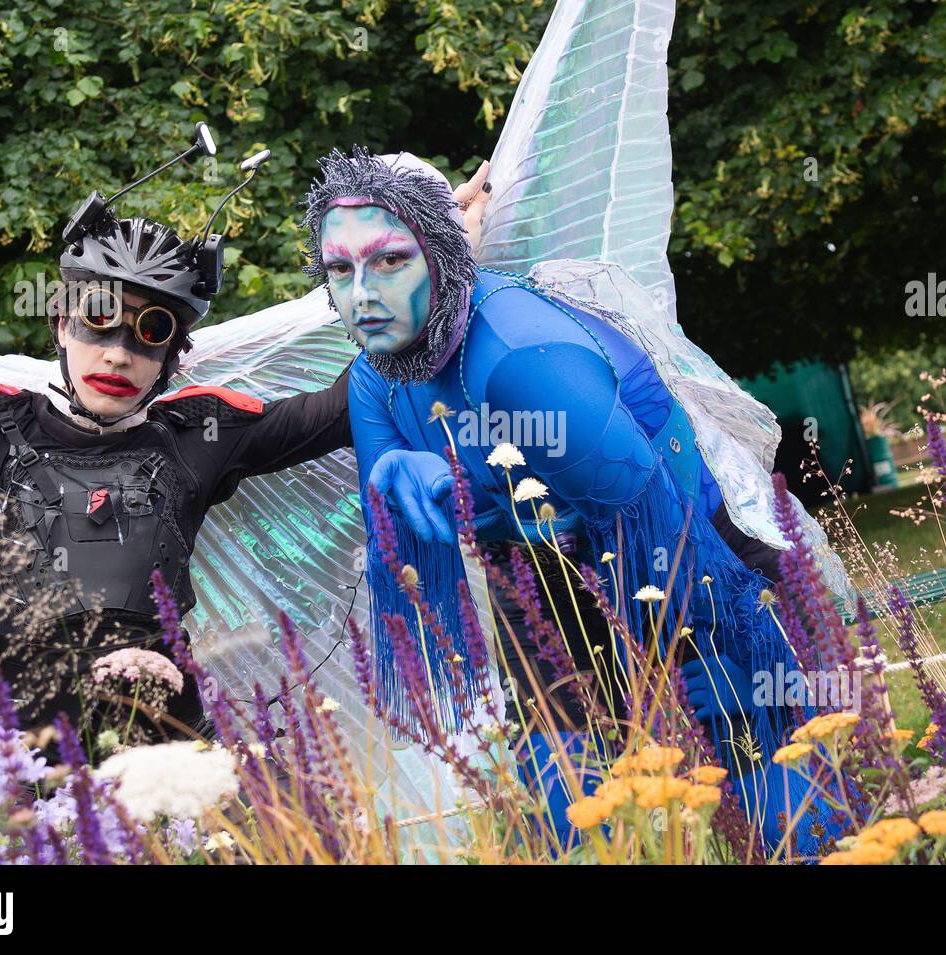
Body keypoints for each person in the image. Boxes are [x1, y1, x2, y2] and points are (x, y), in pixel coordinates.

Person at [0, 135, 492, 762]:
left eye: (151, 332)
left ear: (172, 355)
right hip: (27, 762)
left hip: (170, 755)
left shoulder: (199, 434)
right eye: (97, 317)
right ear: (60, 323)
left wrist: (433, 265)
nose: (117, 353)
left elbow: (348, 401)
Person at [303, 146, 839, 854]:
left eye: (390, 261)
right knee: (569, 805)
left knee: (762, 773)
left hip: (683, 547)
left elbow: (665, 534)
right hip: (532, 569)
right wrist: (404, 502)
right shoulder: (376, 377)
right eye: (340, 270)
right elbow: (409, 570)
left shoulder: (520, 358)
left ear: (442, 254)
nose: (361, 293)